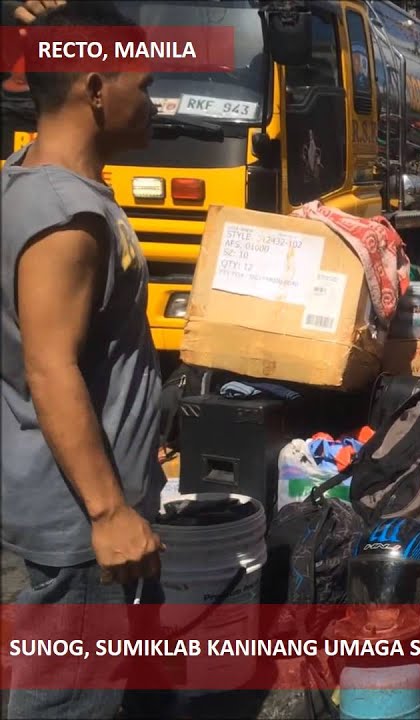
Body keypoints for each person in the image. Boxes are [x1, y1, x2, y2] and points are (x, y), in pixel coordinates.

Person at [1, 3, 164, 718]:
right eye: (145, 84)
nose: (154, 102)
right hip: (82, 529)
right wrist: (107, 512)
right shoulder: (67, 217)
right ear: (96, 88)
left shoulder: (28, 184)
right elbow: (49, 368)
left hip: (87, 514)